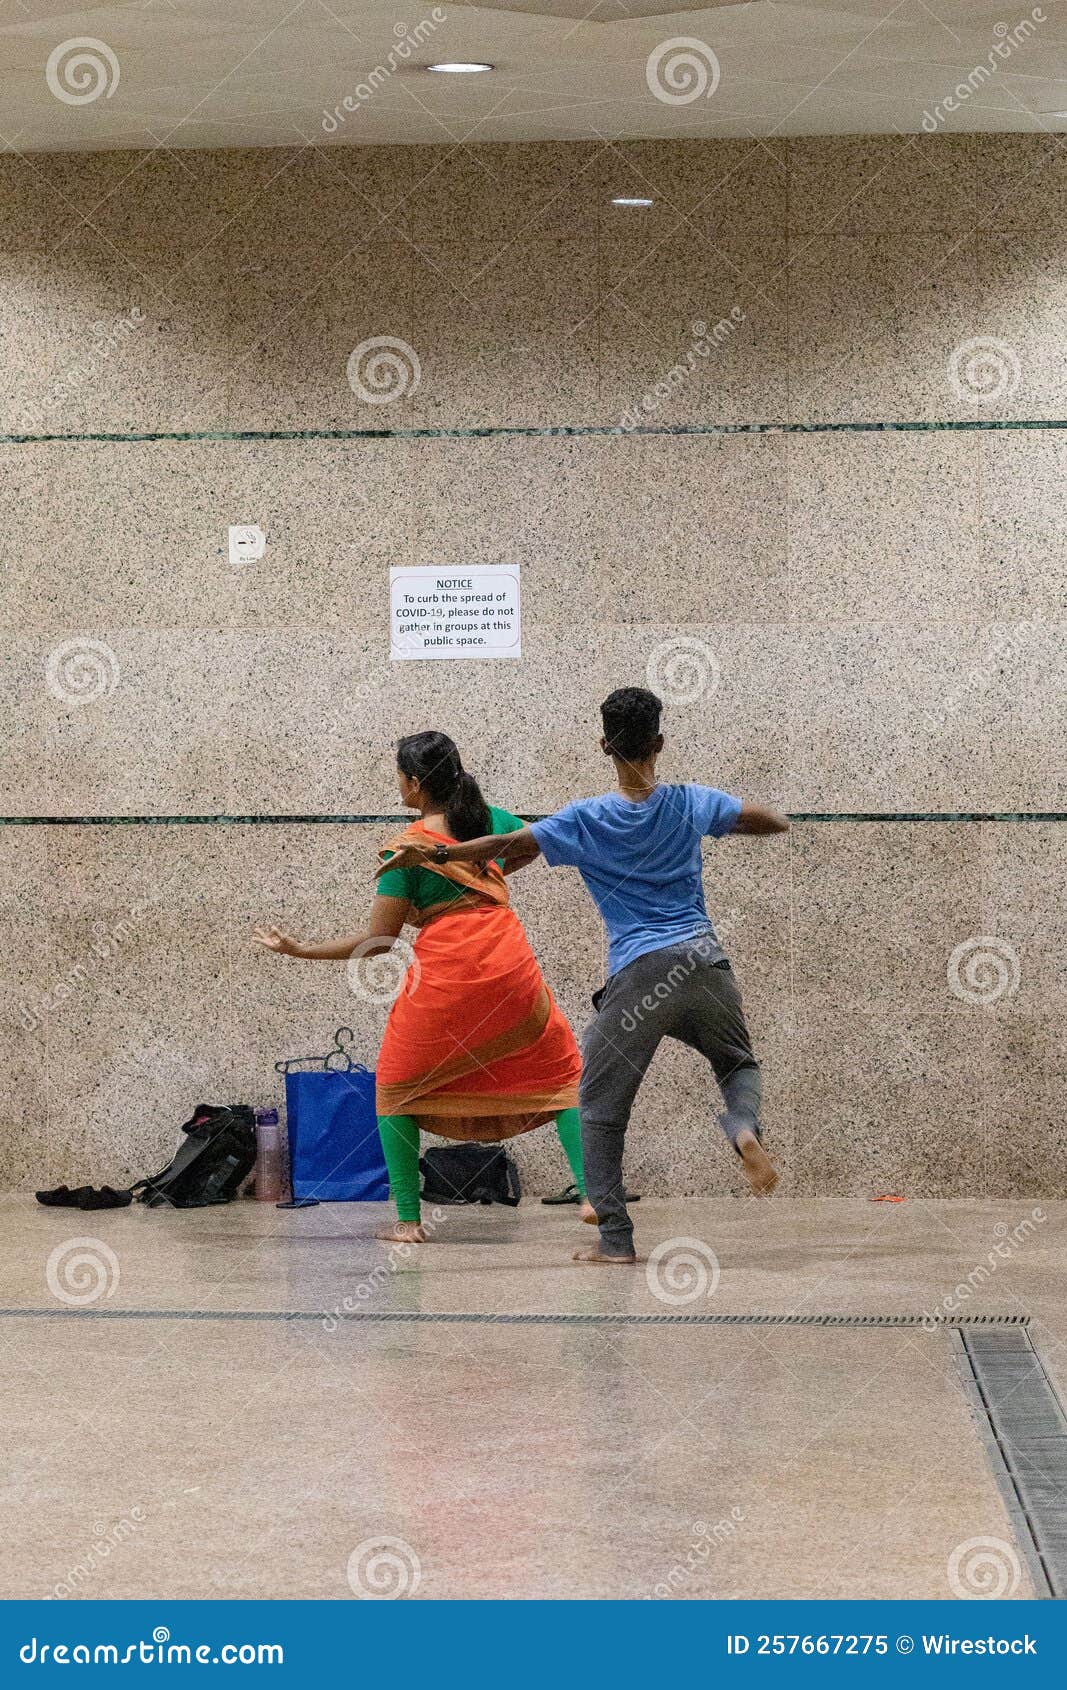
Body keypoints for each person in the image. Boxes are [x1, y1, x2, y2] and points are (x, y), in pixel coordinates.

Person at [378, 688, 789, 1265]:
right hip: (705, 963)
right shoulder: (692, 802)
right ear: (661, 744)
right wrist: (735, 820)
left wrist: (437, 858)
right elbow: (773, 821)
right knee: (737, 1063)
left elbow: (503, 845)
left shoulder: (585, 819)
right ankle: (743, 1129)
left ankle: (615, 1242)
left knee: (596, 1106)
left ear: (603, 745)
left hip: (640, 976)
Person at [255, 730, 587, 1243]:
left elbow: (379, 941)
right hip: (508, 964)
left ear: (413, 783)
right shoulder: (493, 822)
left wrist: (300, 950)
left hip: (446, 977)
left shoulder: (404, 849)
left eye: (398, 777)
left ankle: (409, 1222)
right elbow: (529, 847)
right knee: (563, 1077)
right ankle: (594, 1197)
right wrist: (488, 874)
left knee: (393, 1090)